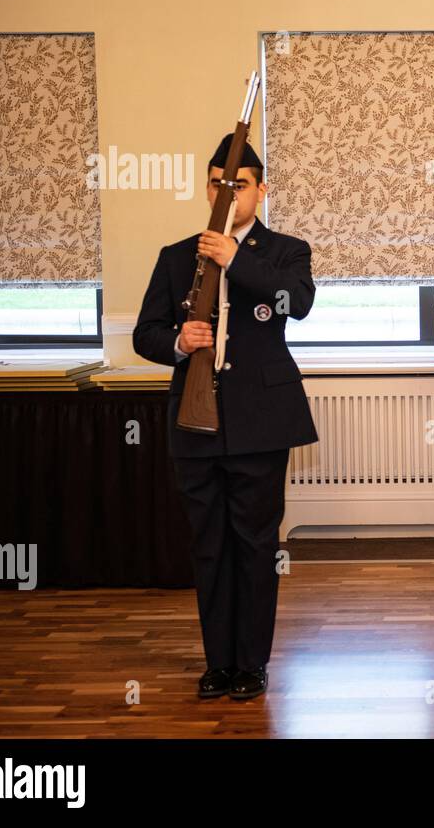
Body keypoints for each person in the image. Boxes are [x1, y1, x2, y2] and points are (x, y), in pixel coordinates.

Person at [133, 134, 317, 700]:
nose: (226, 193)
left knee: (256, 546)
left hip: (260, 423)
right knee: (209, 546)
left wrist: (235, 259)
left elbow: (297, 303)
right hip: (196, 424)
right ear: (206, 190)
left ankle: (251, 663)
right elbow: (144, 333)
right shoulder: (175, 256)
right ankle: (218, 662)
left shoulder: (286, 251)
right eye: (217, 184)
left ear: (261, 191)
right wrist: (178, 342)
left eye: (238, 184)